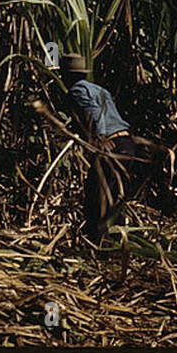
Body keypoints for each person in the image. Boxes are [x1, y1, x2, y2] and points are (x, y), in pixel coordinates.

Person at [59, 53, 148, 243]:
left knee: (97, 196)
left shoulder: (76, 90)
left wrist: (99, 139)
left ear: (66, 75)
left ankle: (99, 244)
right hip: (126, 143)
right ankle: (118, 242)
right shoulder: (100, 89)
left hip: (111, 144)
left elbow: (95, 113)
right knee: (114, 197)